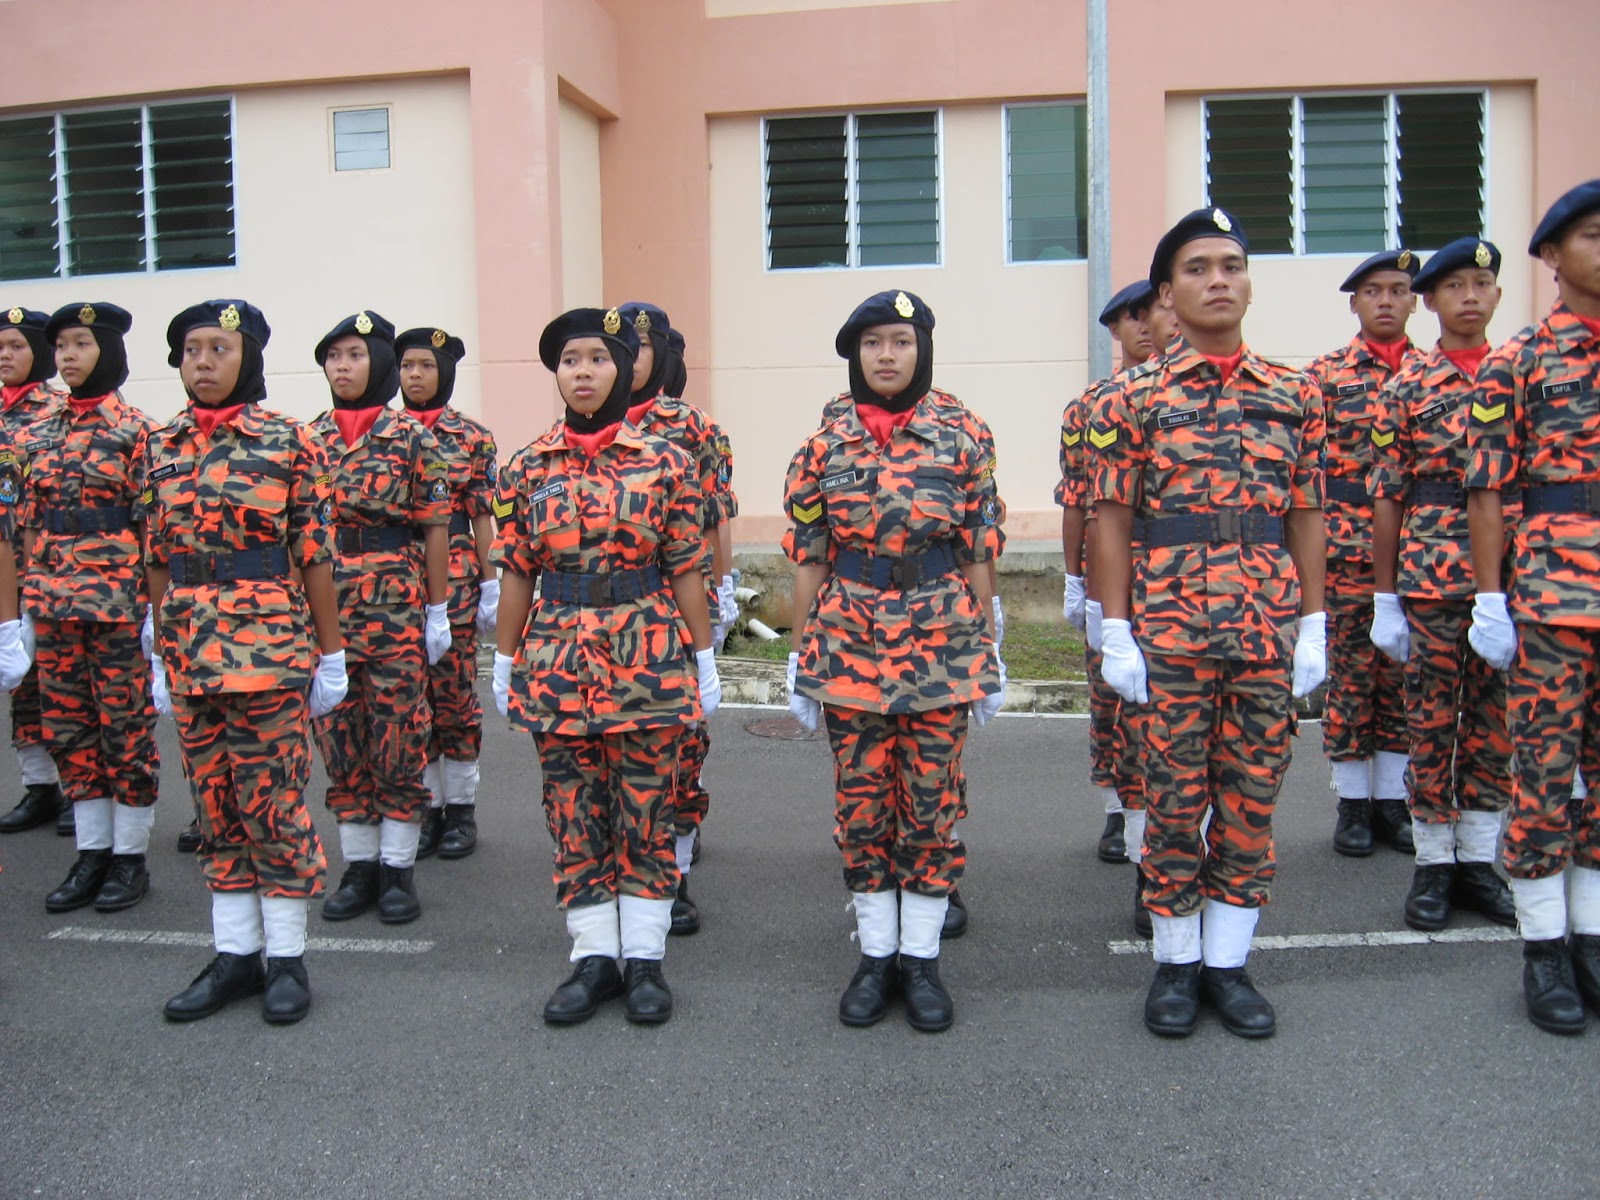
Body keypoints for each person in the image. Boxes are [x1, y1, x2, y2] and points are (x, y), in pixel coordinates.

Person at [1092, 209, 1326, 1040]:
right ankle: (1175, 963)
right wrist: (1114, 629)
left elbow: (1305, 512)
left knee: (1253, 799)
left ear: (1249, 281)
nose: (1218, 279)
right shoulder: (1131, 398)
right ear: (1168, 294)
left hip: (1265, 626)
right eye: (1197, 268)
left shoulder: (1297, 394)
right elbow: (1113, 519)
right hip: (1171, 631)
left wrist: (1315, 621)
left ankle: (1228, 965)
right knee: (1173, 800)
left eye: (1232, 263)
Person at [490, 306, 720, 1027]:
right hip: (556, 658)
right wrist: (502, 661)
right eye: (569, 361)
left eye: (596, 358)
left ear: (622, 369)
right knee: (573, 814)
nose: (581, 372)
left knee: (646, 811)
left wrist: (704, 655)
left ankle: (646, 960)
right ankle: (594, 958)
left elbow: (687, 566)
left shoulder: (667, 462)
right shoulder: (527, 467)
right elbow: (517, 573)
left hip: (646, 656)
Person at [784, 289, 1003, 1033]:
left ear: (923, 351)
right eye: (873, 343)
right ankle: (876, 956)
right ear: (854, 354)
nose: (887, 356)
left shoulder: (962, 433)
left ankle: (922, 960)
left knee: (933, 806)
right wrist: (800, 654)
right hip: (848, 639)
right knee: (862, 805)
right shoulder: (825, 444)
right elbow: (809, 557)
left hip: (942, 636)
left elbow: (979, 549)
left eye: (901, 343)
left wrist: (988, 647)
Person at [141, 299, 347, 1024]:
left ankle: (286, 959)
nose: (203, 360)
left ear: (249, 357)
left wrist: (332, 655)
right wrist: (159, 645)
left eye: (218, 348)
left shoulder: (289, 441)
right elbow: (158, 556)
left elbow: (315, 555)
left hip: (268, 653)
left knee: (274, 804)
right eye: (191, 348)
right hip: (193, 652)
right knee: (215, 807)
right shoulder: (159, 444)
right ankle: (234, 956)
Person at [1465, 178, 1600, 1035]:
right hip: (1554, 593)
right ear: (1551, 256)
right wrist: (1490, 598)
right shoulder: (1520, 361)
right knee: (1545, 778)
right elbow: (1487, 491)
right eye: (1590, 235)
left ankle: (1592, 935)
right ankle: (1544, 947)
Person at [1368, 240, 1517, 934]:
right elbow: (1388, 496)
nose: (1469, 296)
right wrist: (1385, 595)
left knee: (1494, 723)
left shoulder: (1523, 376)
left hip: (1517, 575)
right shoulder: (1404, 388)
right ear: (1429, 300)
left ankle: (1479, 860)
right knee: (1430, 720)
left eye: (1482, 283)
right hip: (1431, 575)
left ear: (1497, 295)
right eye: (1453, 285)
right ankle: (1432, 862)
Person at [308, 312, 451, 925]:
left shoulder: (414, 438)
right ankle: (359, 864)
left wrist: (439, 609)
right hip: (327, 613)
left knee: (398, 735)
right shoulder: (305, 438)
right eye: (333, 356)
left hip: (394, 606)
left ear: (382, 364)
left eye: (355, 355)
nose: (342, 367)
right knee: (340, 739)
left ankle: (397, 870)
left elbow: (436, 527)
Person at [24, 303, 160, 914]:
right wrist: (24, 605)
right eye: (61, 348)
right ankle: (91, 852)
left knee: (124, 730)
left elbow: (154, 529)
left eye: (81, 344)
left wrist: (157, 615)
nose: (68, 357)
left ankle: (129, 859)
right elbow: (27, 522)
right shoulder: (38, 432)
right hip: (54, 603)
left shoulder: (139, 432)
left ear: (107, 349)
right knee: (69, 730)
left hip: (116, 604)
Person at [1060, 281, 1178, 936]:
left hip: (1183, 586)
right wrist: (1077, 581)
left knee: (1171, 728)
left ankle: (1172, 855)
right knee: (1117, 712)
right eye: (1131, 318)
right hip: (1117, 577)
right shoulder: (1094, 407)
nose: (1144, 326)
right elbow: (1080, 500)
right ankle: (1124, 816)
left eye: (1151, 312)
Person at [614, 302, 727, 937]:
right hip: (607, 613)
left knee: (680, 738)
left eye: (638, 344)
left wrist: (725, 583)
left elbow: (715, 517)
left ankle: (675, 871)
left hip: (679, 601)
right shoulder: (578, 428)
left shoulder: (692, 428)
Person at [1304, 250, 1419, 857]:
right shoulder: (1325, 377)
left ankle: (1392, 803)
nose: (1385, 301)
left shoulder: (1433, 374)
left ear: (1414, 300)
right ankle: (1352, 804)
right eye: (1373, 291)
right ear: (1355, 302)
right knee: (1351, 677)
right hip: (1344, 548)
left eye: (1398, 290)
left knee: (1403, 678)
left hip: (1417, 551)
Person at [395, 326, 498, 862]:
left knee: (452, 700)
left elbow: (484, 516)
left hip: (455, 587)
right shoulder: (382, 432)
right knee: (410, 704)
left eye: (426, 366)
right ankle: (428, 807)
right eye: (408, 365)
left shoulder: (471, 437)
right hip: (390, 590)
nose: (415, 375)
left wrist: (491, 586)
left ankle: (460, 808)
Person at [0, 307, 67, 836]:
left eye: (18, 345)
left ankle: (77, 785)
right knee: (19, 687)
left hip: (47, 570)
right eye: (0, 346)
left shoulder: (57, 414)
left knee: (59, 682)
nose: (6, 354)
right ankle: (38, 785)